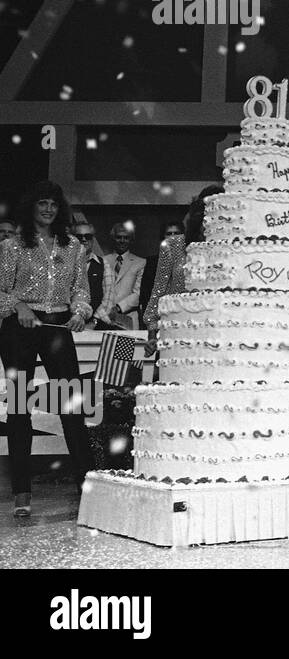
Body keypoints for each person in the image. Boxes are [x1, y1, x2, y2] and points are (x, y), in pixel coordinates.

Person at [0, 181, 95, 517]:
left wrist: (80, 312)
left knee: (71, 405)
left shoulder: (73, 247)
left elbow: (81, 291)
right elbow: (0, 291)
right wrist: (18, 307)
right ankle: (22, 494)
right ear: (31, 207)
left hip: (57, 328)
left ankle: (88, 485)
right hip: (19, 329)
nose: (48, 209)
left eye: (53, 203)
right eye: (42, 203)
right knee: (19, 408)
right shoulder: (12, 246)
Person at [143, 186, 223, 352]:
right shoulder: (173, 245)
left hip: (215, 330)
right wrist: (152, 333)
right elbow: (159, 289)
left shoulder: (228, 248)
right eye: (204, 211)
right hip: (175, 328)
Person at [97, 222, 146, 330]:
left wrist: (118, 308)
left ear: (131, 240)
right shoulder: (102, 260)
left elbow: (138, 293)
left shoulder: (141, 262)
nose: (122, 241)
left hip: (127, 318)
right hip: (103, 317)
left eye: (126, 238)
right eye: (119, 237)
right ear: (113, 238)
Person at [71, 219, 105, 318]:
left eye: (88, 236)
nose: (84, 239)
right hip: (66, 322)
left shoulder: (104, 265)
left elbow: (107, 300)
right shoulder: (64, 264)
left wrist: (94, 322)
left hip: (93, 326)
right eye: (79, 236)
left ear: (93, 239)